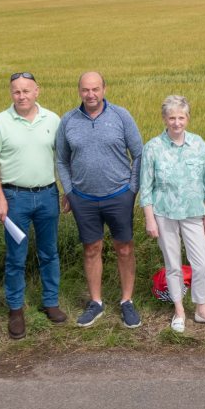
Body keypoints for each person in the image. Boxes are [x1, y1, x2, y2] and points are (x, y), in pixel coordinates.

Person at [56, 71, 145, 330]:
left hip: (119, 195)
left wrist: (132, 190)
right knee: (91, 248)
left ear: (104, 89)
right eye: (86, 90)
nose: (91, 94)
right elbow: (61, 159)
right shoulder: (68, 121)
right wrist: (70, 191)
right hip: (83, 198)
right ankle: (96, 302)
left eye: (95, 89)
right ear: (79, 91)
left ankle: (127, 301)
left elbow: (139, 154)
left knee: (125, 248)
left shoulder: (121, 116)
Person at [0, 71, 64, 340]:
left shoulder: (52, 119)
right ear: (11, 94)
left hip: (48, 195)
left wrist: (68, 192)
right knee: (15, 257)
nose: (22, 96)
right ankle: (16, 309)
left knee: (49, 252)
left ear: (37, 91)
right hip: (14, 198)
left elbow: (63, 158)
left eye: (26, 90)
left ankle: (50, 302)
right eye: (16, 91)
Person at [140, 95, 205, 332]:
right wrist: (150, 219)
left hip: (193, 213)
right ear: (164, 119)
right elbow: (146, 188)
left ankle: (201, 310)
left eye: (181, 117)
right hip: (164, 214)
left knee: (201, 263)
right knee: (173, 264)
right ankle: (179, 310)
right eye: (172, 118)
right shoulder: (153, 147)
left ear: (187, 118)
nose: (177, 122)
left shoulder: (199, 144)